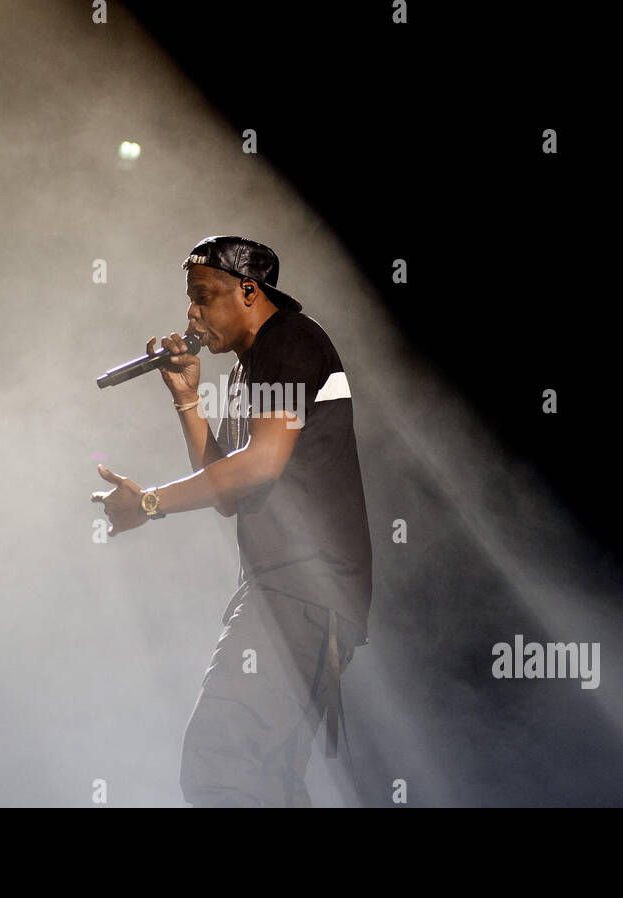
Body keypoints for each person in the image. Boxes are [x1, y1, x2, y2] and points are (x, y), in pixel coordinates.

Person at [90, 235, 373, 807]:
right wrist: (188, 400)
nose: (191, 314)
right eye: (188, 300)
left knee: (221, 763)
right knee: (265, 783)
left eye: (202, 296)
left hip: (301, 587)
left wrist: (149, 504)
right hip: (291, 589)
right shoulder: (251, 367)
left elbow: (261, 465)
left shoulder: (288, 339)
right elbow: (230, 488)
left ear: (249, 291)